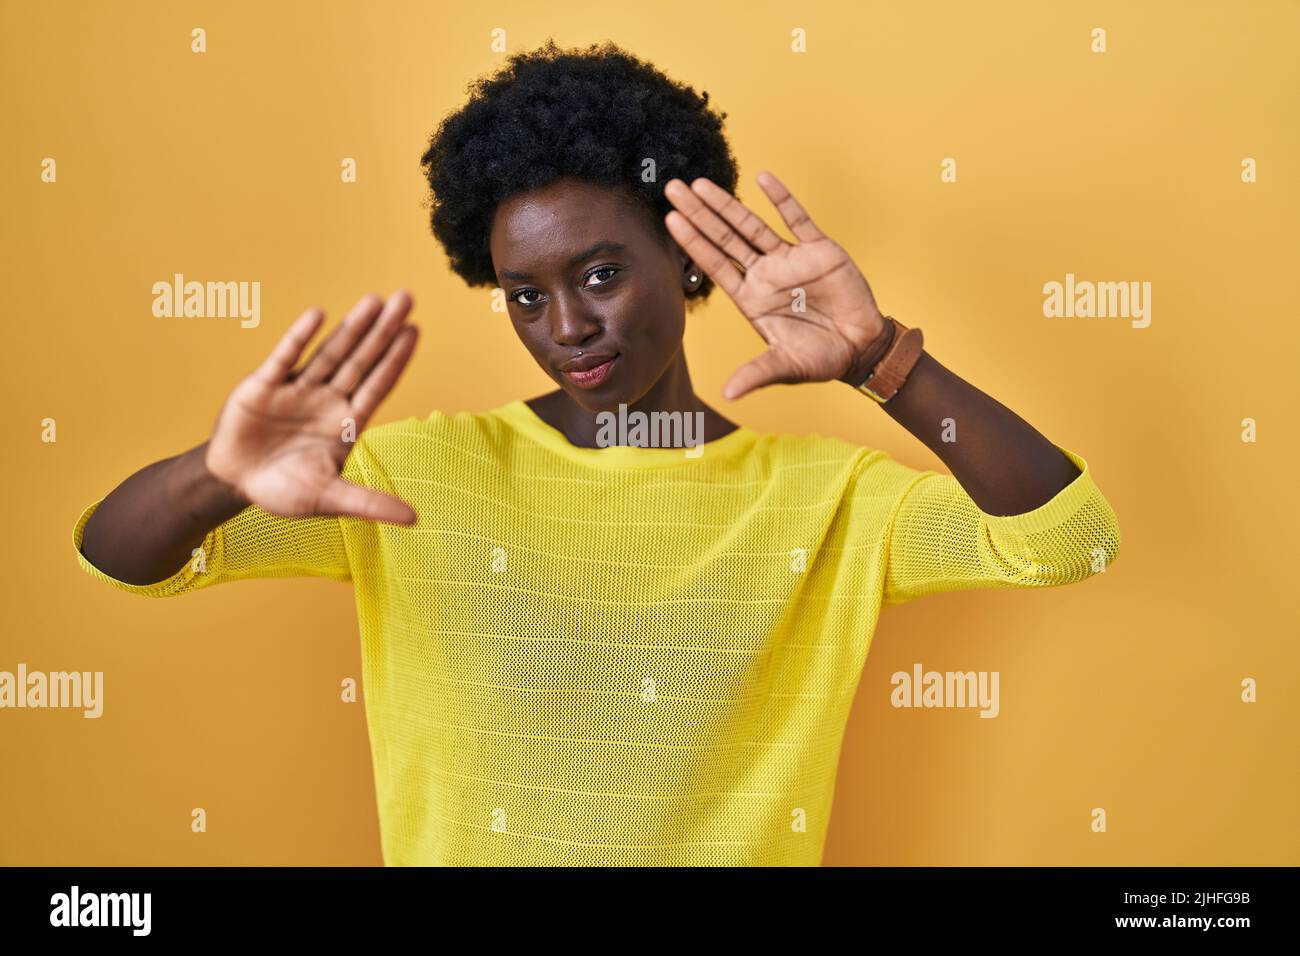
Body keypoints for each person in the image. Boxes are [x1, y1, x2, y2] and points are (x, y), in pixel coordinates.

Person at [72, 39, 1121, 866]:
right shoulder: (413, 474)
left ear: (690, 260)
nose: (565, 322)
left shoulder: (824, 501)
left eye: (603, 272)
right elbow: (120, 557)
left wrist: (881, 362)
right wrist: (215, 475)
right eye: (526, 295)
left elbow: (1068, 539)